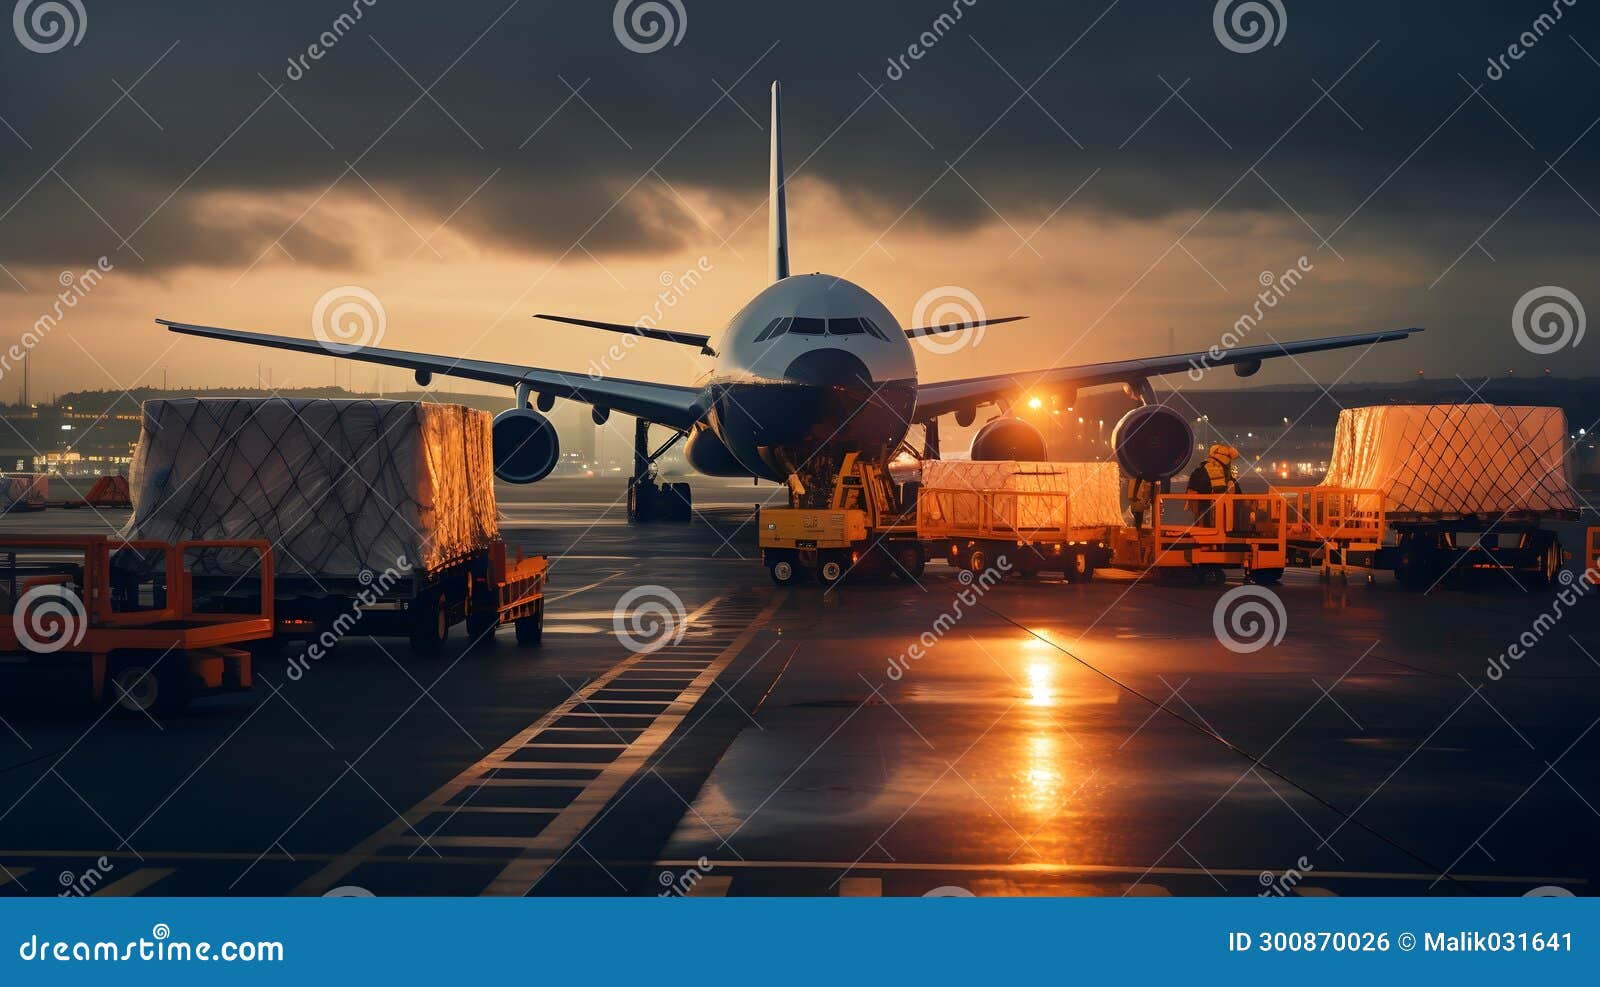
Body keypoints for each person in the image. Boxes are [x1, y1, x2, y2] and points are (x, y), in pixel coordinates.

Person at [1187, 444, 1240, 527]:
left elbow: (1191, 496)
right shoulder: (1229, 478)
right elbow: (1239, 498)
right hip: (1223, 522)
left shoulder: (1198, 472)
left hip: (1203, 521)